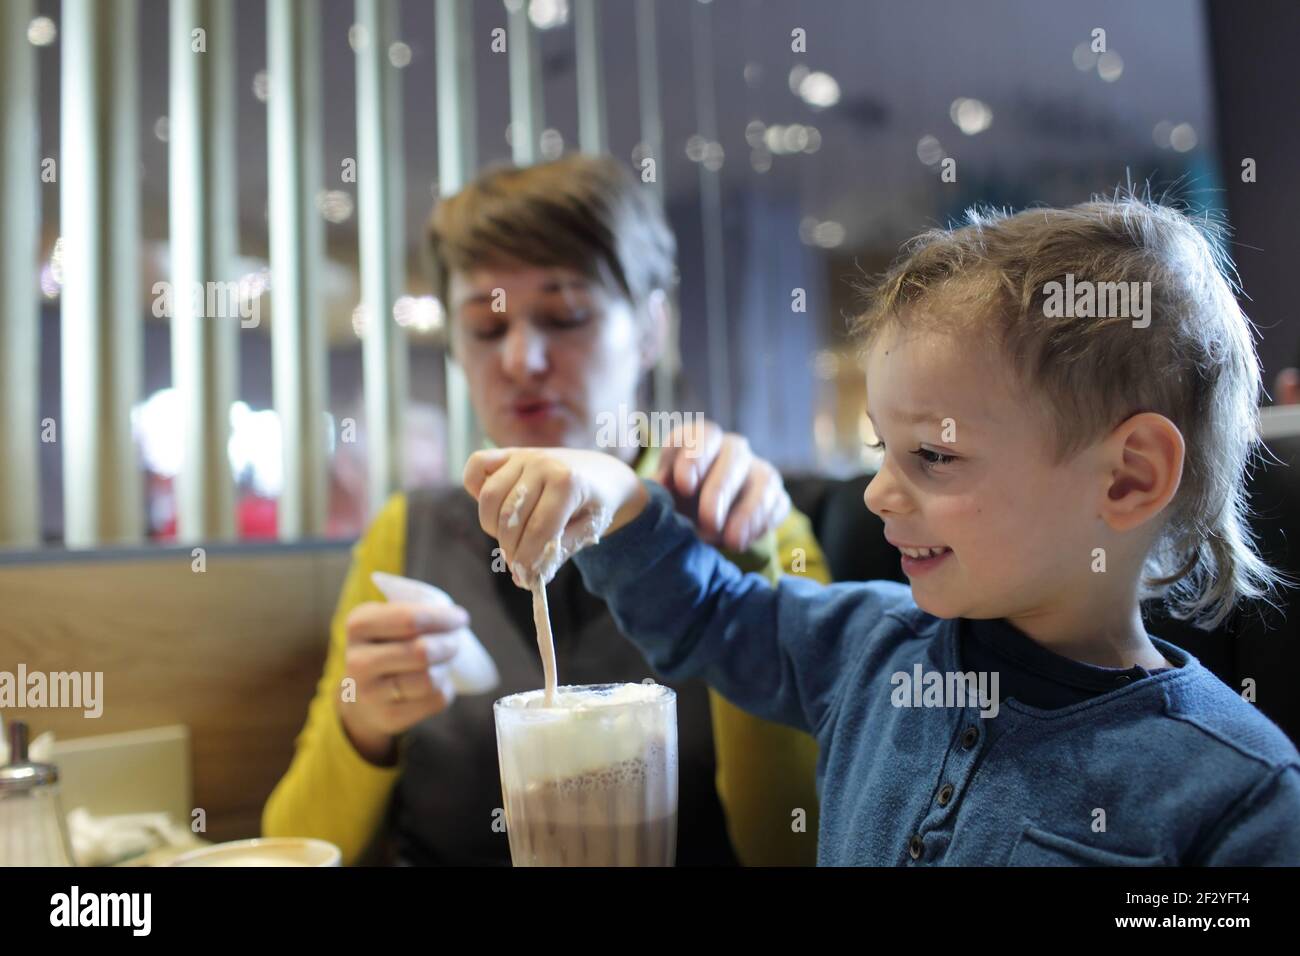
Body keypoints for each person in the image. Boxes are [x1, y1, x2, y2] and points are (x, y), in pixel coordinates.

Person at [466, 197, 1300, 864]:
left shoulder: (1240, 791)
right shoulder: (865, 648)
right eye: (881, 450)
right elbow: (708, 616)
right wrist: (618, 495)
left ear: (1128, 478)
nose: (877, 496)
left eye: (934, 456)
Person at [263, 154, 828, 866]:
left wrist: (742, 572)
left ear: (652, 329)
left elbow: (800, 843)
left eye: (565, 317)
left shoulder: (740, 517)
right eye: (487, 328)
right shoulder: (410, 535)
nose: (523, 359)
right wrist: (361, 724)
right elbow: (291, 843)